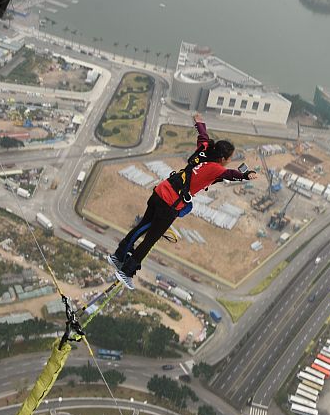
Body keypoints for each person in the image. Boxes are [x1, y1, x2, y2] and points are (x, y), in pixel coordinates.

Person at [109, 114, 256, 286]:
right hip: (170, 203)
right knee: (150, 239)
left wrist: (199, 122)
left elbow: (203, 135)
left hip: (161, 190)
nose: (230, 161)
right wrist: (245, 175)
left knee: (142, 225)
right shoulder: (215, 168)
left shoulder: (205, 147)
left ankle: (118, 256)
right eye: (230, 158)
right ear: (223, 159)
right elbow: (230, 174)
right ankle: (127, 271)